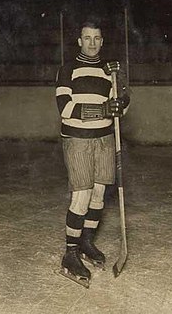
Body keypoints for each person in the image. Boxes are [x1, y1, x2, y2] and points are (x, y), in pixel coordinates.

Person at [55, 19, 130, 287]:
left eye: (97, 38)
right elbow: (64, 108)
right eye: (87, 38)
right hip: (78, 140)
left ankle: (86, 242)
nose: (93, 43)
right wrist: (102, 111)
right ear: (79, 40)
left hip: (105, 138)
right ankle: (70, 253)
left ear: (102, 41)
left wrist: (121, 97)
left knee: (99, 193)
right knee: (82, 195)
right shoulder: (69, 69)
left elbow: (120, 106)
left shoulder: (109, 71)